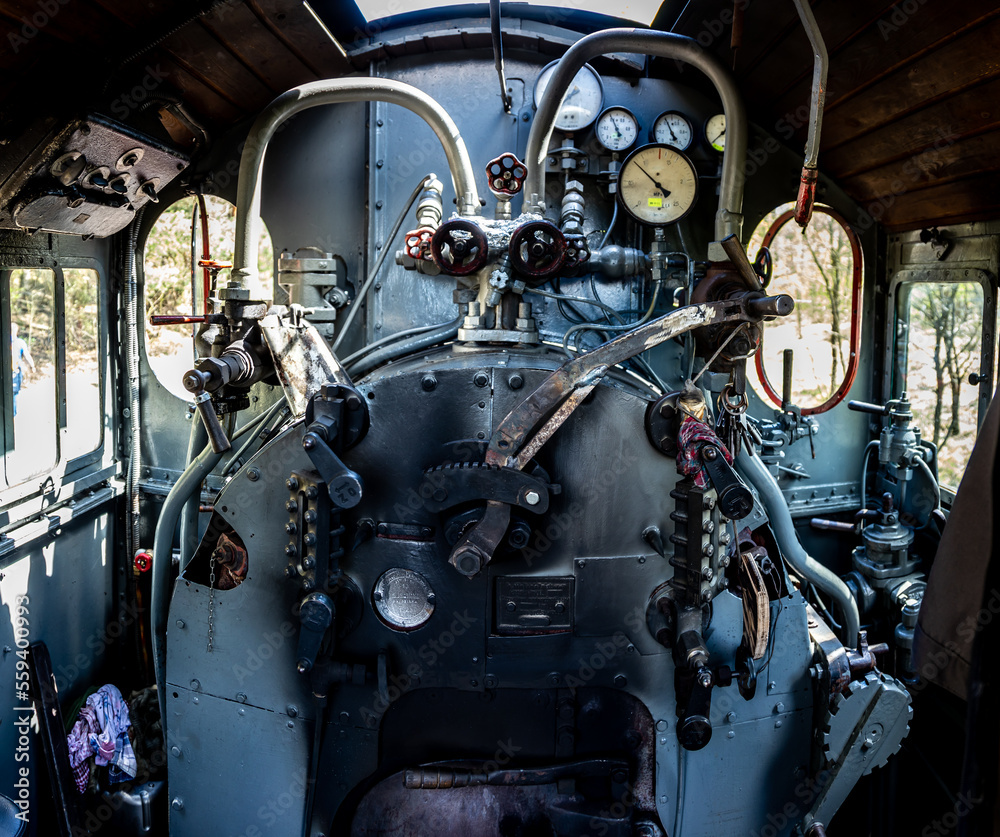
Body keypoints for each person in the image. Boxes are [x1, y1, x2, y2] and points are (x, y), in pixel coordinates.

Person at [11, 322, 35, 417]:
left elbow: (27, 355)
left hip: (15, 372)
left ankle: (13, 413)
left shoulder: (20, 343)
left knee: (15, 392)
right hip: (10, 372)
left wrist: (32, 365)